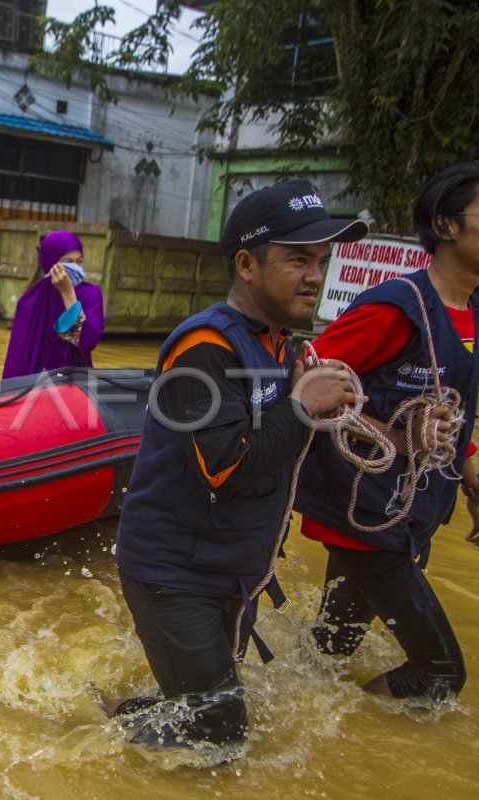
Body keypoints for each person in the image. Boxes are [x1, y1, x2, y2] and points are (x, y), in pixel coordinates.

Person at [111, 180, 366, 748]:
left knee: (203, 711)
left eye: (321, 261)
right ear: (247, 265)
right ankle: (81, 742)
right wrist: (302, 406)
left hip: (232, 567)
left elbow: (291, 453)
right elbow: (223, 469)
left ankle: (114, 716)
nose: (314, 276)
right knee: (220, 734)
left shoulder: (285, 348)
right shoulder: (205, 346)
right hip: (174, 571)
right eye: (298, 258)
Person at [293, 160, 479, 704]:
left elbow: (453, 417)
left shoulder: (473, 312)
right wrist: (395, 435)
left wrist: (475, 492)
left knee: (328, 653)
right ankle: (359, 738)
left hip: (412, 509)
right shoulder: (395, 309)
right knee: (438, 674)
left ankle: (312, 724)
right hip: (368, 514)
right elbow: (307, 377)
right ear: (447, 226)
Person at [1, 230, 104, 379]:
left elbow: (87, 343)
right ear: (50, 262)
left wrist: (69, 296)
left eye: (80, 261)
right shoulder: (30, 300)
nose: (76, 267)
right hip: (34, 383)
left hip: (73, 382)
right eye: (68, 262)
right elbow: (17, 358)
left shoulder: (90, 295)